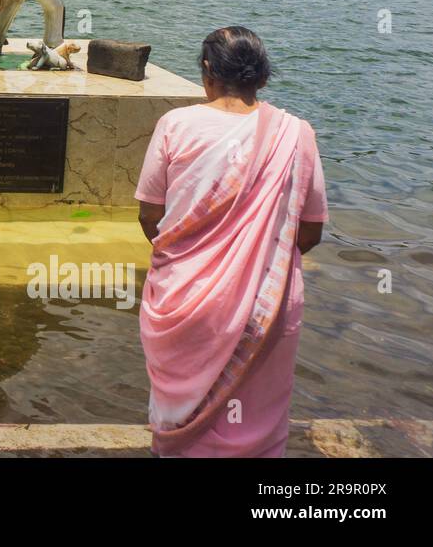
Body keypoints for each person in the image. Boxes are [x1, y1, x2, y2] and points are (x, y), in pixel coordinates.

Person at [135, 27, 328, 457]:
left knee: (181, 410)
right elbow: (310, 232)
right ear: (261, 76)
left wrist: (189, 254)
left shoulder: (175, 124)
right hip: (267, 300)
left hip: (186, 298)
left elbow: (150, 216)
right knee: (258, 412)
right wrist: (261, 256)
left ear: (207, 72)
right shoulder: (297, 134)